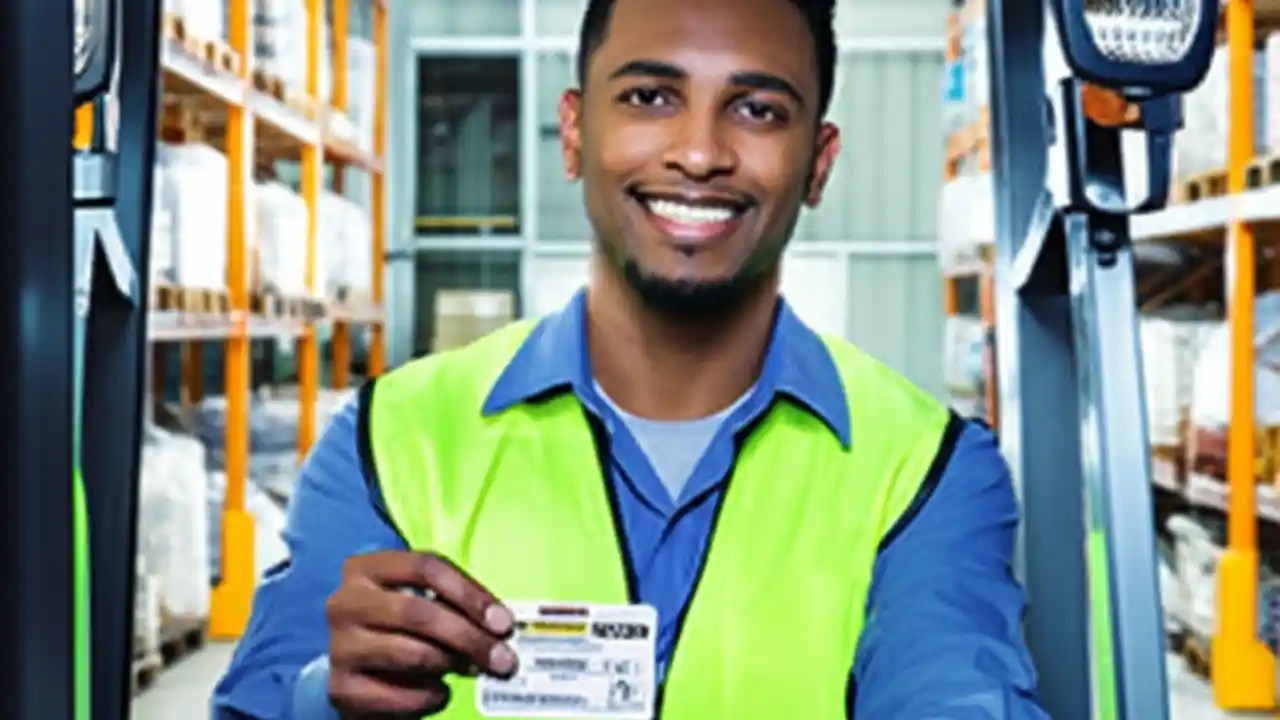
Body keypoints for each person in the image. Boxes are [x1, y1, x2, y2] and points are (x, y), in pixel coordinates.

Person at [212, 0, 1050, 717]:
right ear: (575, 131)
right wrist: (326, 695)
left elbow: (948, 689)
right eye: (651, 96)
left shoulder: (927, 470)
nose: (698, 152)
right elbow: (265, 699)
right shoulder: (390, 443)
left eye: (757, 109)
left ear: (818, 163)